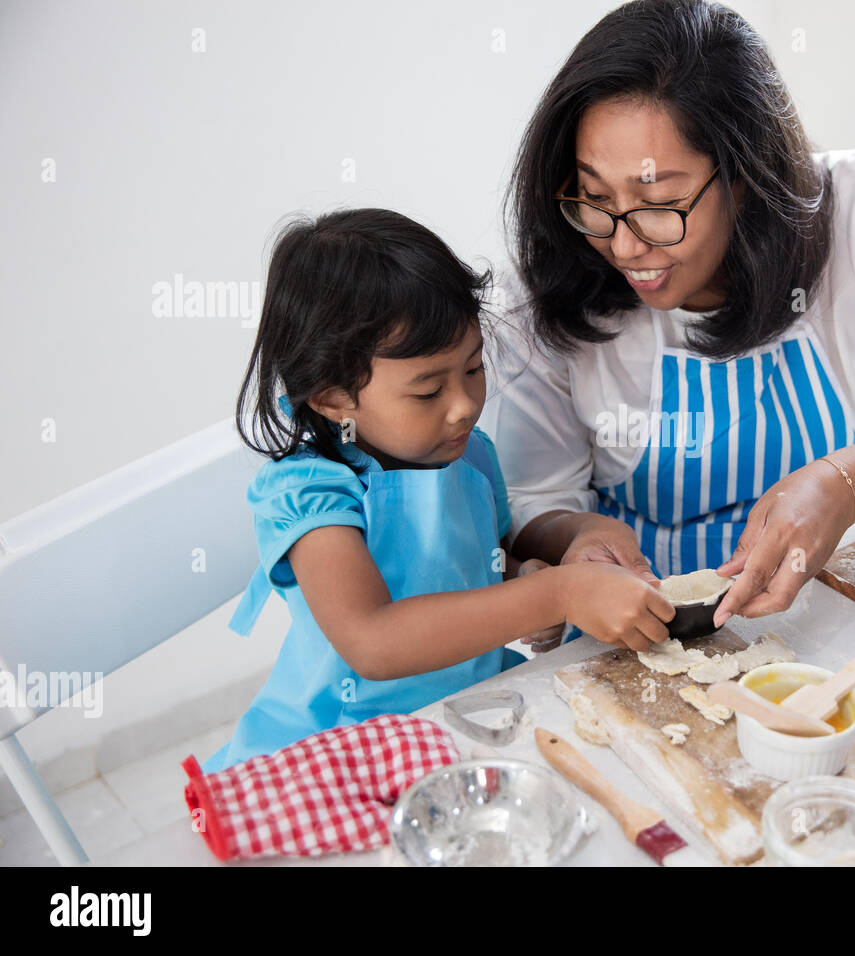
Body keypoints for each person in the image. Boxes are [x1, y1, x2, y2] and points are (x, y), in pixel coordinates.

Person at [493, 0, 855, 636]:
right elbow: (533, 497)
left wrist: (844, 487)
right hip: (636, 636)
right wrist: (581, 533)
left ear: (743, 177)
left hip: (836, 617)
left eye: (659, 204)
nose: (624, 245)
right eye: (594, 198)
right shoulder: (549, 282)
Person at [202, 209, 671, 772]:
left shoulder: (470, 455)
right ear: (331, 398)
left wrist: (527, 576)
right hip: (343, 744)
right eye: (427, 392)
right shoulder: (311, 493)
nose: (465, 406)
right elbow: (374, 642)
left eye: (473, 369)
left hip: (464, 717)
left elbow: (484, 567)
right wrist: (556, 595)